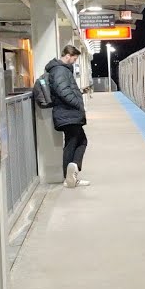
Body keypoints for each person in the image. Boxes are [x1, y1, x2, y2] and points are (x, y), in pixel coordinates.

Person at [47, 45, 90, 188]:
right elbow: (63, 91)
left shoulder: (61, 70)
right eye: (74, 58)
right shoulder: (60, 70)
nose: (75, 61)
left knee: (76, 141)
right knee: (76, 142)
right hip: (68, 113)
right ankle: (70, 174)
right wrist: (77, 103)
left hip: (67, 113)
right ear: (68, 56)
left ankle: (71, 173)